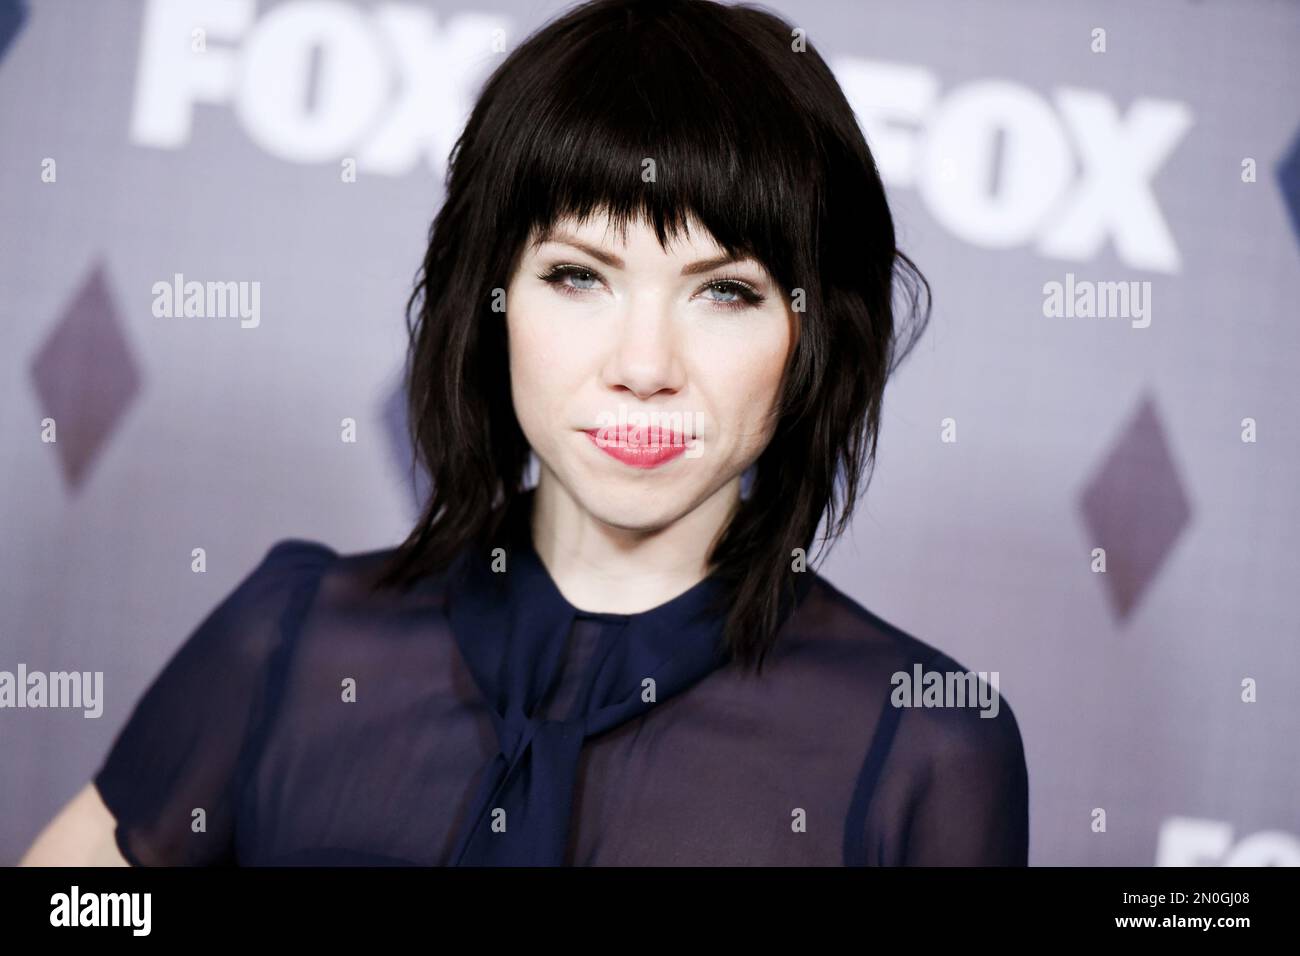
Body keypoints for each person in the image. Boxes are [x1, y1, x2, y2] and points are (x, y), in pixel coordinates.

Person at [21, 0, 1027, 866]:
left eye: (724, 291)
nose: (643, 364)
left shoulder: (924, 744)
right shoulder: (289, 638)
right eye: (578, 275)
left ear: (815, 335)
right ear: (489, 296)